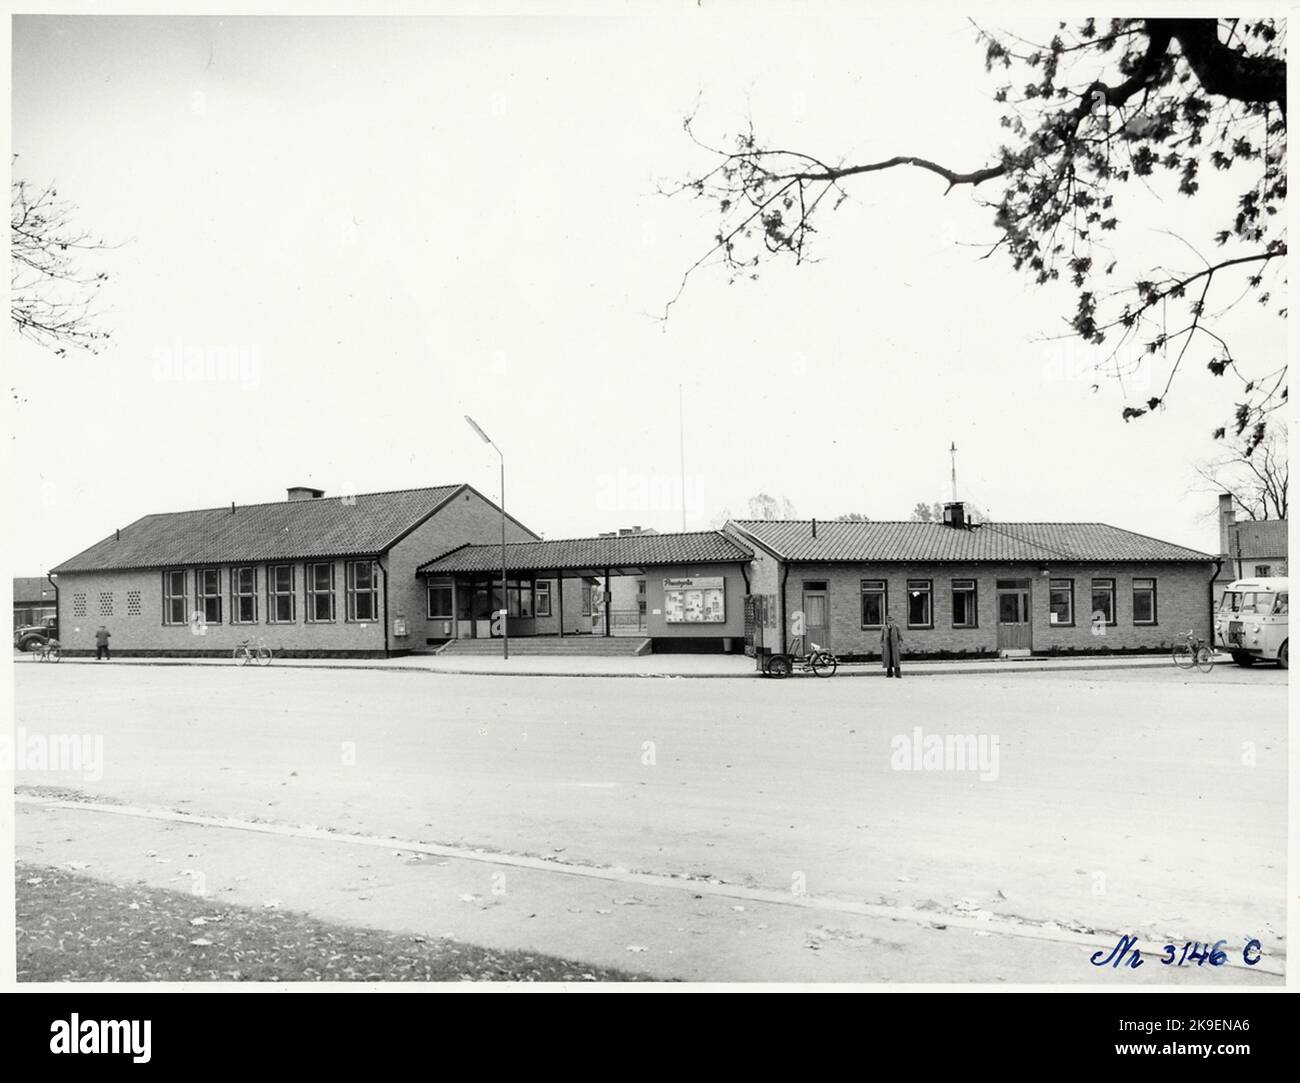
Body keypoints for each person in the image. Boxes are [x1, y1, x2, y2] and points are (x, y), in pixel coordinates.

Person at [880, 612, 902, 678]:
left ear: (893, 621)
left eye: (891, 620)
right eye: (888, 620)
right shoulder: (884, 628)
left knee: (895, 659)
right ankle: (889, 673)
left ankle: (897, 673)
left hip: (895, 646)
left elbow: (900, 637)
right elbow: (881, 637)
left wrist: (899, 643)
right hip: (887, 646)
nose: (890, 622)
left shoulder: (897, 627)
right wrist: (882, 644)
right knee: (888, 659)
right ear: (887, 621)